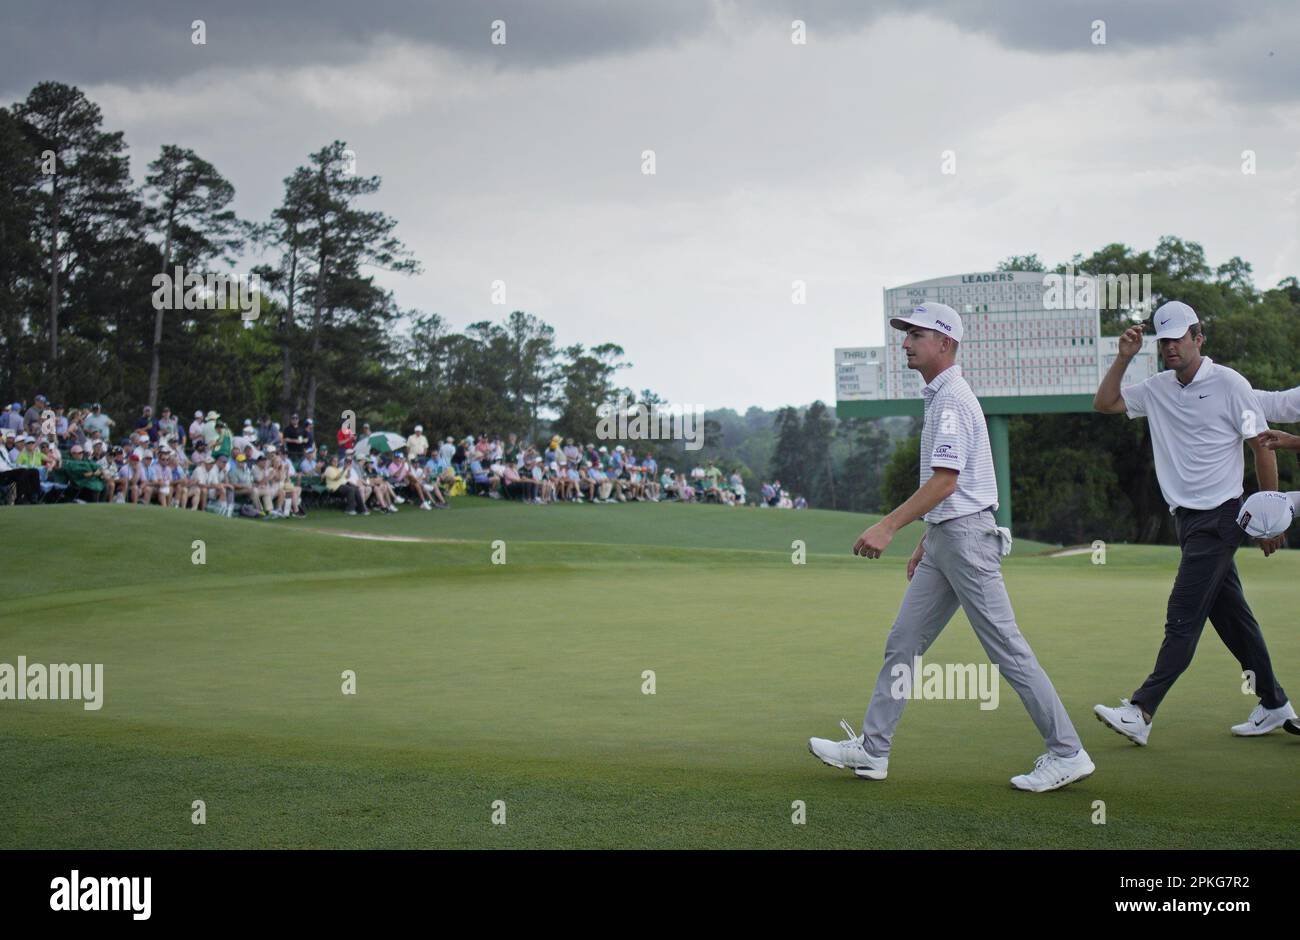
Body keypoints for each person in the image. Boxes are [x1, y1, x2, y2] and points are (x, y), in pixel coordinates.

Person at [808, 302, 1092, 792]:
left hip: (965, 541)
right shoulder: (939, 397)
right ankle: (873, 751)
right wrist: (928, 538)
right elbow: (947, 490)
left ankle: (1068, 752)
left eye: (915, 335)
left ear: (945, 343)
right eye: (906, 334)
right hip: (946, 539)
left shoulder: (953, 400)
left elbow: (945, 481)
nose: (905, 343)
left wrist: (889, 527)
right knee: (903, 641)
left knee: (1008, 650)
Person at [1092, 302, 1296, 741]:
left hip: (1222, 516)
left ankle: (1142, 710)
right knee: (1232, 618)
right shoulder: (1158, 388)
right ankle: (1275, 704)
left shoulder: (1230, 385)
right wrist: (1124, 357)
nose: (1170, 347)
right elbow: (1105, 402)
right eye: (1163, 340)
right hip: (1186, 519)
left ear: (1198, 338)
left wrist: (1270, 516)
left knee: (1182, 615)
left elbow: (1262, 445)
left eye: (1178, 338)